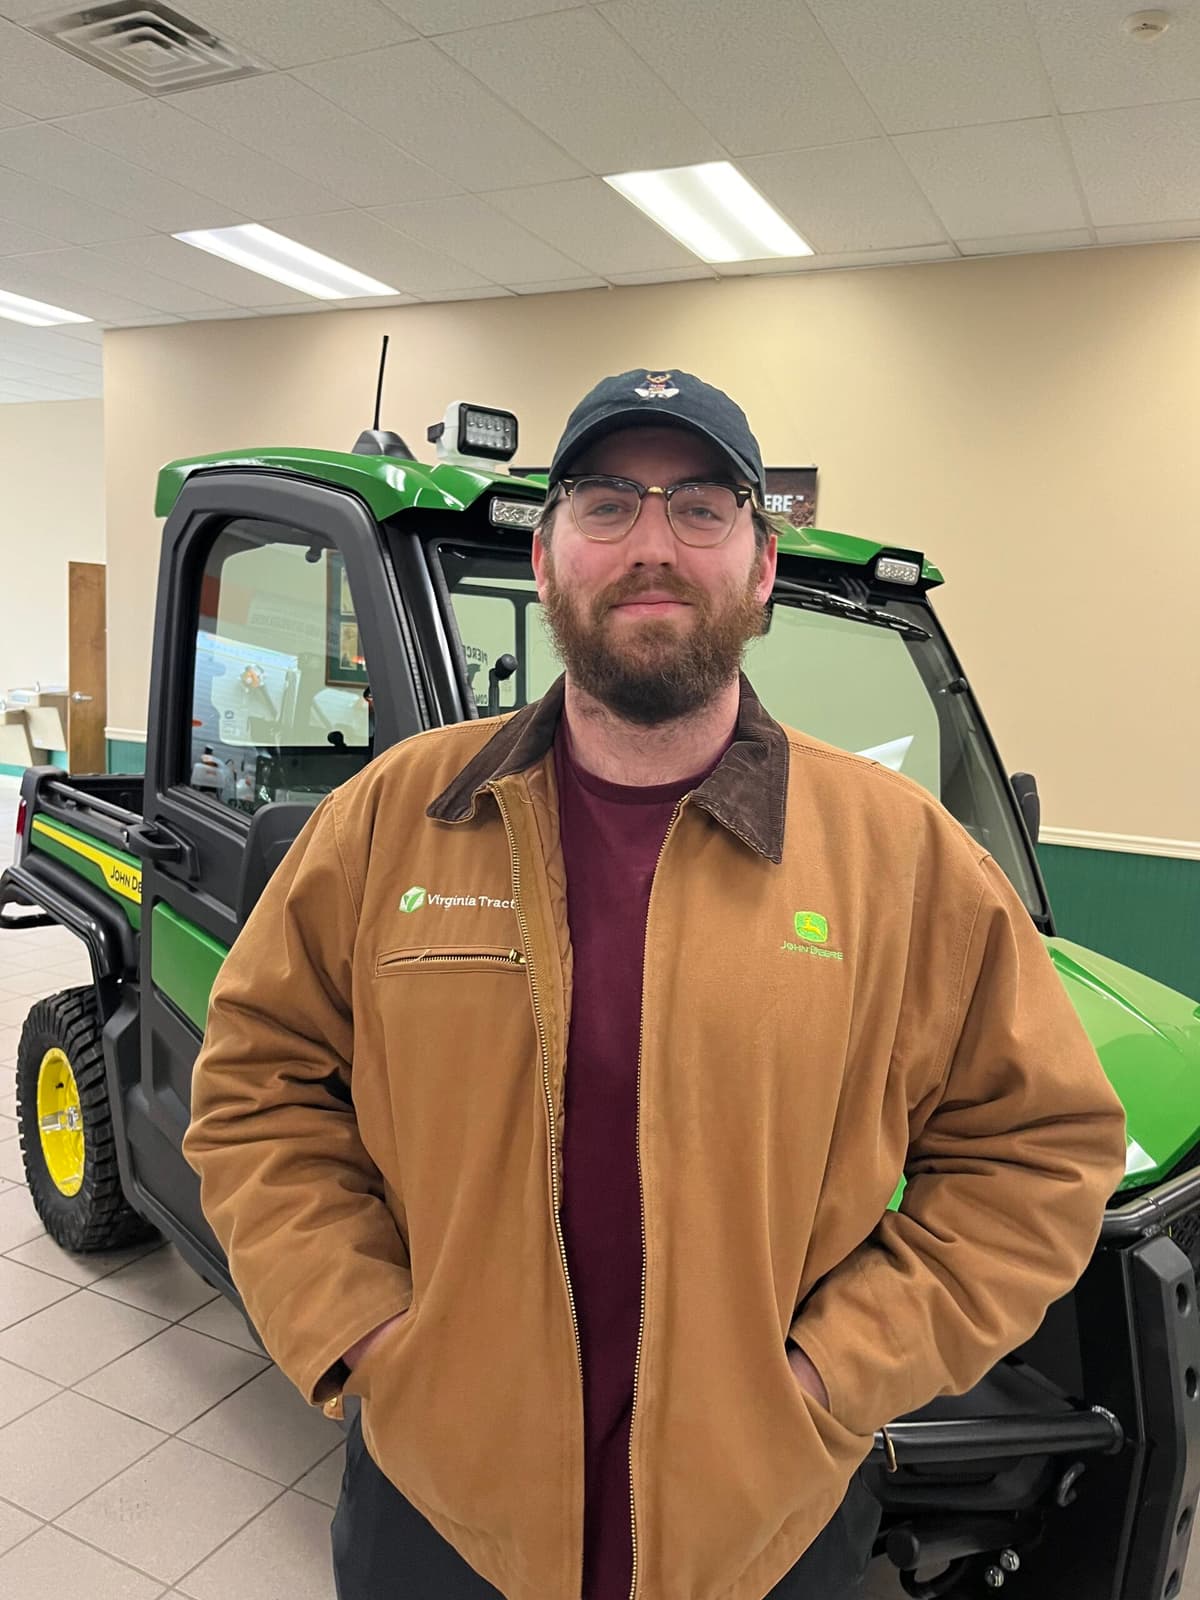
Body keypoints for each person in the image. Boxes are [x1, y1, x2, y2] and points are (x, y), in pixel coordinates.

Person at [181, 369, 1128, 1600]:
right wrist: (367, 1328)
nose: (653, 546)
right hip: (444, 1515)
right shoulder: (391, 822)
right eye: (607, 502)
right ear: (546, 554)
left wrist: (833, 1372)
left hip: (767, 1529)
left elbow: (1039, 1153)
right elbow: (257, 1091)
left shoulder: (900, 858)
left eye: (701, 507)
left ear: (761, 566)